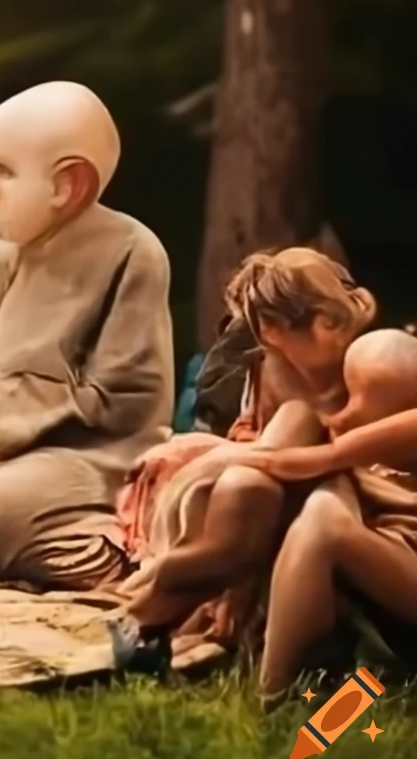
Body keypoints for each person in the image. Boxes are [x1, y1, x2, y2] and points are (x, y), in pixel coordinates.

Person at [0, 81, 175, 591]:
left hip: (88, 461)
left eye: (1, 172)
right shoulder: (8, 254)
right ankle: (32, 543)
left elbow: (127, 398)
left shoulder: (133, 252)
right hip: (2, 458)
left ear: (68, 185)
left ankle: (91, 546)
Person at [110, 247, 377, 667]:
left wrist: (279, 460)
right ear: (272, 331)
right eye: (319, 317)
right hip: (285, 479)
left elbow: (351, 446)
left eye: (337, 309)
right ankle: (275, 701)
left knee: (266, 485)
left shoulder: (371, 361)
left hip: (363, 503)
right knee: (248, 483)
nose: (337, 324)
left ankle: (161, 606)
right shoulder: (278, 372)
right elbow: (284, 452)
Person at [230, 329, 417, 702]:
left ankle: (272, 698)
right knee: (322, 494)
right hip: (375, 614)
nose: (338, 409)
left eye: (353, 397)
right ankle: (297, 673)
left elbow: (313, 460)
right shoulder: (367, 463)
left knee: (326, 518)